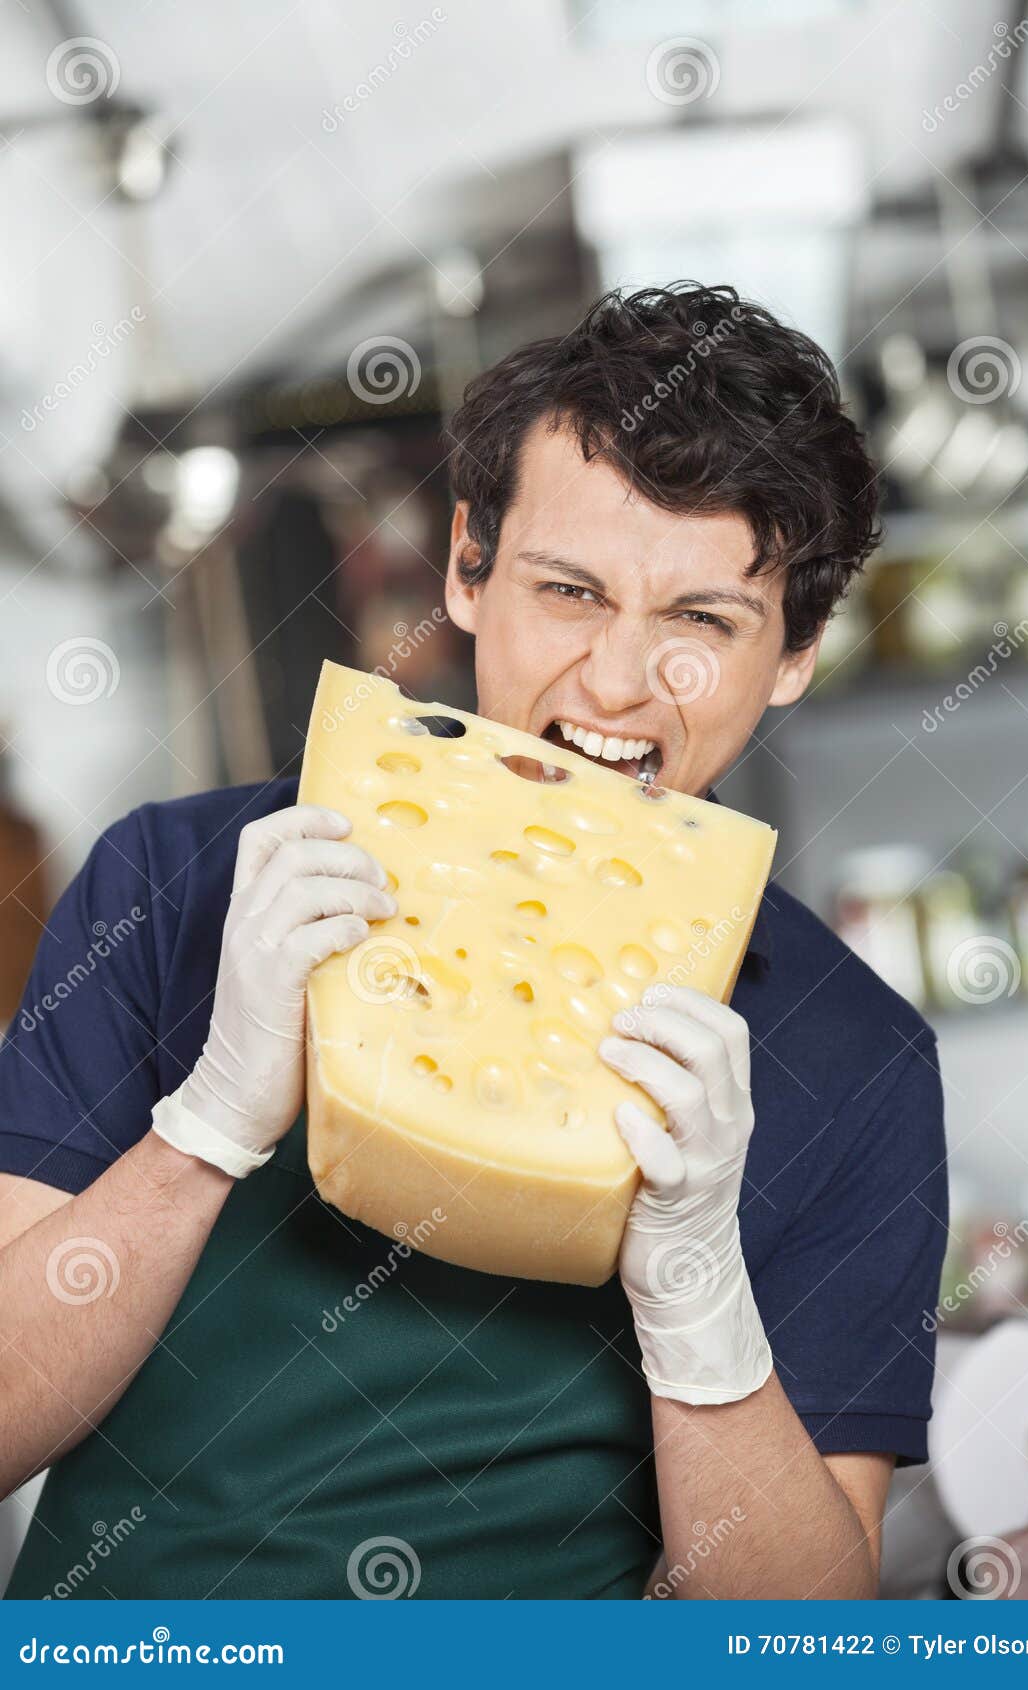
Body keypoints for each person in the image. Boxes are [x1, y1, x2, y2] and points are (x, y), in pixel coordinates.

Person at [0, 282, 946, 1600]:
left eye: (701, 621)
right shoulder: (175, 880)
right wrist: (207, 1124)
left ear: (795, 651)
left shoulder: (855, 1054)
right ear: (468, 566)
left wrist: (697, 1302)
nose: (618, 680)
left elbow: (793, 1637)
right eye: (571, 590)